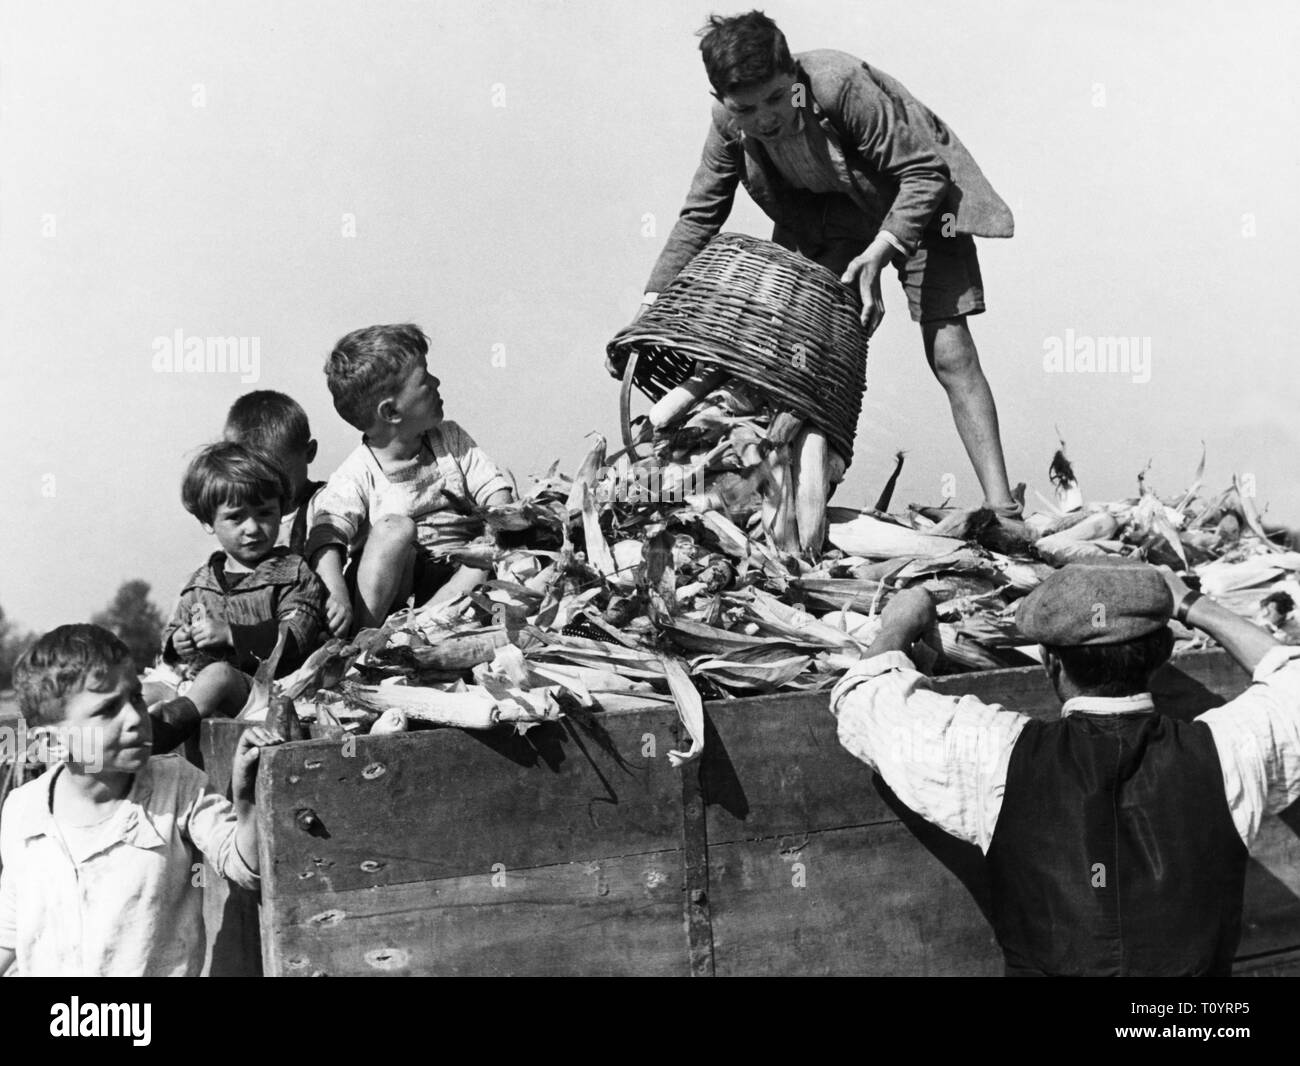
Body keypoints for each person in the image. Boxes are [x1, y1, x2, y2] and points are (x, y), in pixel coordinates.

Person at [615, 10, 1020, 515]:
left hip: (916, 206)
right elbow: (700, 215)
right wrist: (651, 307)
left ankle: (1002, 507)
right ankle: (778, 500)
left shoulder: (841, 86)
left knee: (950, 351)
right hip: (826, 221)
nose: (765, 117)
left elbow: (923, 172)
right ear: (722, 101)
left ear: (795, 77)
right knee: (785, 353)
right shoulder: (728, 126)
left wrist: (881, 250)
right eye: (747, 107)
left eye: (777, 98)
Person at [830, 558, 1300, 976]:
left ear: (1051, 664)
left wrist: (903, 617)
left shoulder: (996, 755)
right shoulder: (1229, 751)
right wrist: (1191, 604)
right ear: (1161, 655)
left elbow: (865, 697)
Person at [0, 625, 283, 976]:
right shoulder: (23, 809)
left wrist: (247, 803)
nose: (135, 719)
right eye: (107, 710)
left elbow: (245, 868)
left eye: (135, 697)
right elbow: (10, 933)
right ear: (53, 743)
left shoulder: (177, 786)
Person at [307, 323, 515, 635]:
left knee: (485, 561)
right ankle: (364, 637)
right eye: (424, 379)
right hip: (391, 587)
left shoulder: (451, 439)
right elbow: (326, 536)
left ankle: (418, 630)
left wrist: (497, 531)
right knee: (395, 529)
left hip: (455, 577)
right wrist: (336, 593)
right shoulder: (357, 473)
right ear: (391, 412)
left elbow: (494, 491)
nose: (436, 382)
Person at [154, 441, 328, 751]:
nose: (252, 528)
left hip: (264, 692)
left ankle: (160, 736)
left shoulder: (291, 572)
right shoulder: (200, 582)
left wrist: (230, 634)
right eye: (236, 518)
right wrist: (177, 642)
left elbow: (297, 636)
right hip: (194, 688)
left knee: (218, 674)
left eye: (264, 513)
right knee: (147, 690)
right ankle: (85, 745)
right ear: (209, 522)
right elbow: (172, 632)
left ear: (281, 510)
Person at [223, 389, 327, 560]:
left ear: (309, 452)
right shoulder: (242, 523)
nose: (268, 487)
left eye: (277, 474)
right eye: (253, 476)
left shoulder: (328, 505)